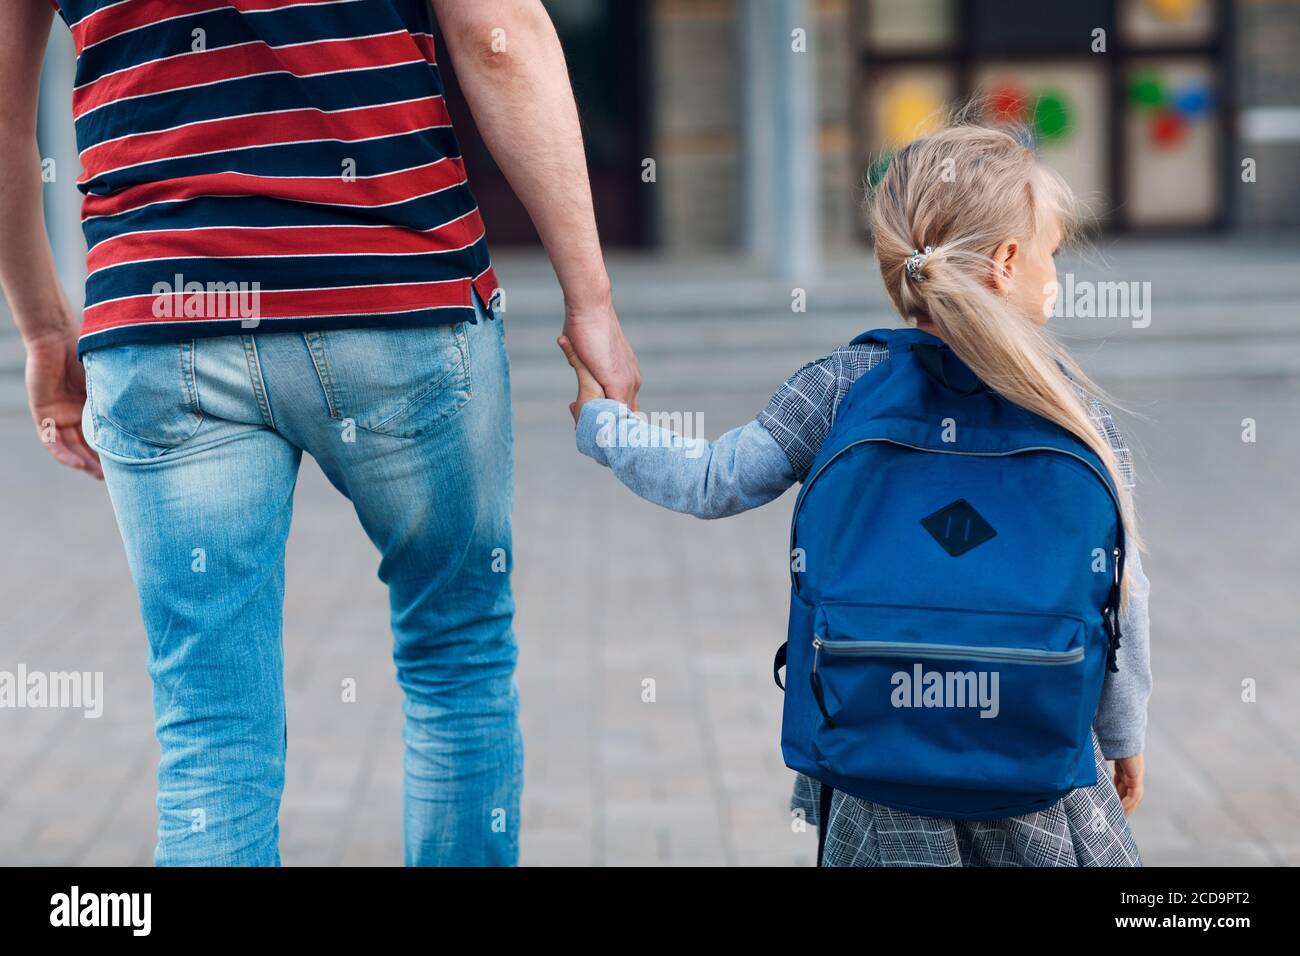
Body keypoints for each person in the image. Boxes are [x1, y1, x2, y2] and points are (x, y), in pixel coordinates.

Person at [0, 0, 638, 866]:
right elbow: (497, 37)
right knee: (458, 660)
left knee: (211, 725)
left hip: (163, 318)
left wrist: (43, 328)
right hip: (395, 298)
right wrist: (590, 301)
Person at [560, 123, 1151, 866]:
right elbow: (1125, 596)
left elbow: (711, 480)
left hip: (878, 768)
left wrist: (604, 424)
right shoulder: (1067, 410)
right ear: (1006, 262)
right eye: (1052, 254)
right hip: (1041, 765)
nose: (1056, 275)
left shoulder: (844, 384)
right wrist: (1123, 738)